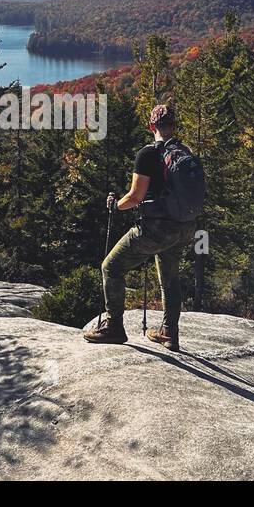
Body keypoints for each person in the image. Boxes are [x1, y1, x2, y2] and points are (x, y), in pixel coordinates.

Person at [84, 103, 196, 351]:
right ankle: (169, 332)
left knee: (111, 267)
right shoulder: (185, 152)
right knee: (169, 278)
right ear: (174, 126)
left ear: (151, 126)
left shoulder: (148, 154)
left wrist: (115, 206)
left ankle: (114, 327)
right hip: (184, 228)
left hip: (156, 229)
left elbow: (135, 197)